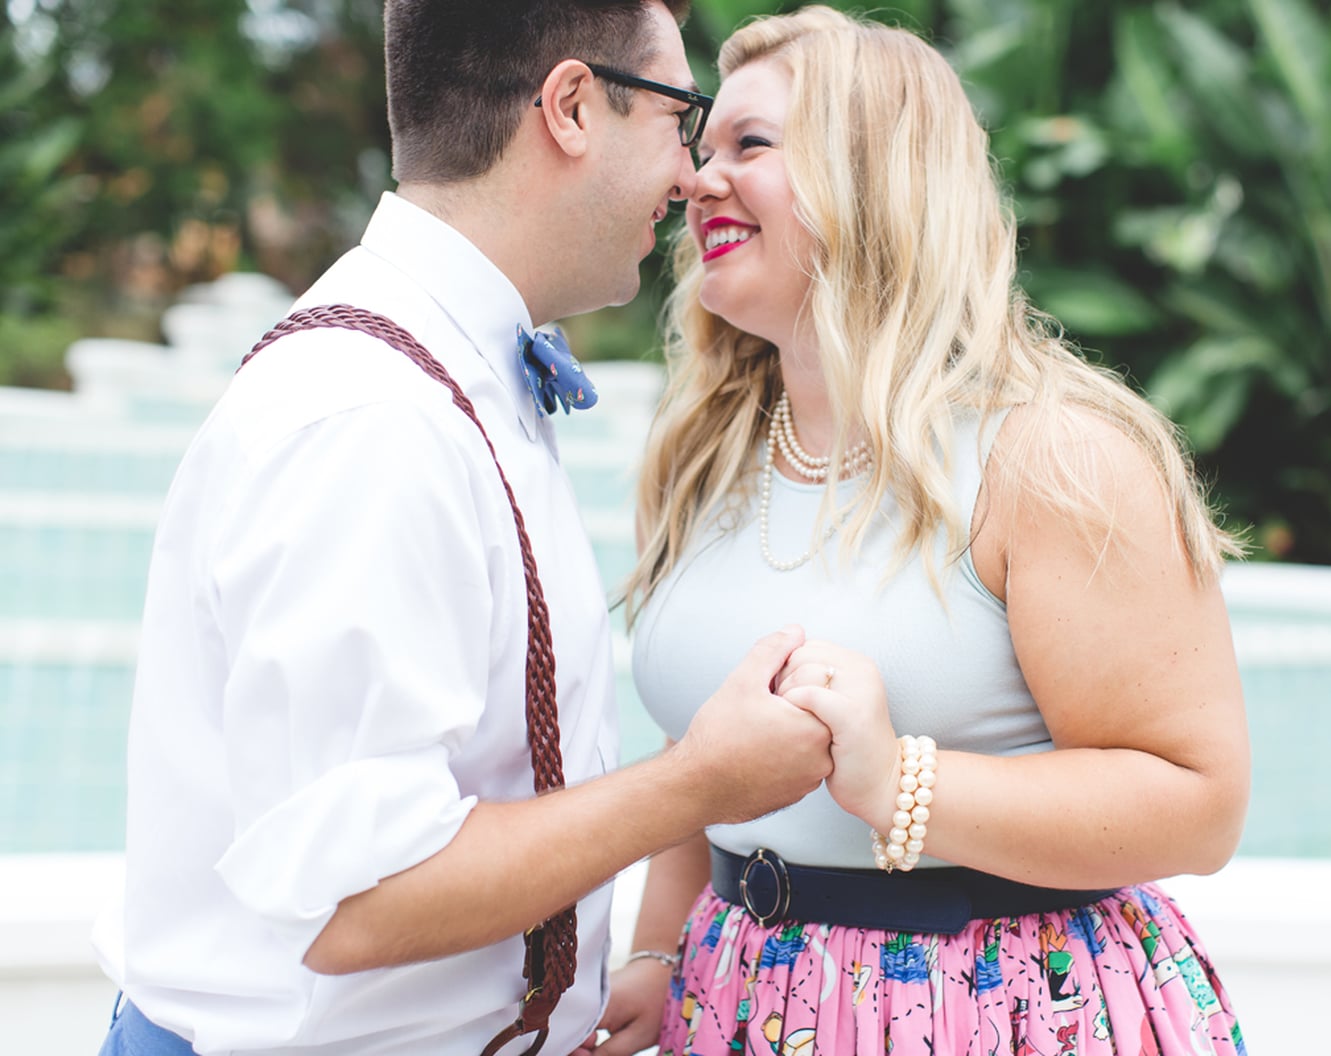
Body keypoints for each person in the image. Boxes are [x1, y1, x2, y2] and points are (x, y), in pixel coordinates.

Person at [91, 3, 836, 1055]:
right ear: (572, 107)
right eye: (682, 118)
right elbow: (367, 894)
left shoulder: (451, 370)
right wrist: (699, 784)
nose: (688, 177)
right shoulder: (375, 417)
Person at [600, 7, 1252, 1055]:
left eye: (750, 146)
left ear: (876, 174)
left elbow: (1199, 803)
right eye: (700, 150)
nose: (694, 181)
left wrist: (901, 780)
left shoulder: (1051, 454)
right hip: (730, 1005)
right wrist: (655, 958)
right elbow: (703, 763)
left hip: (998, 1012)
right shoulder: (706, 453)